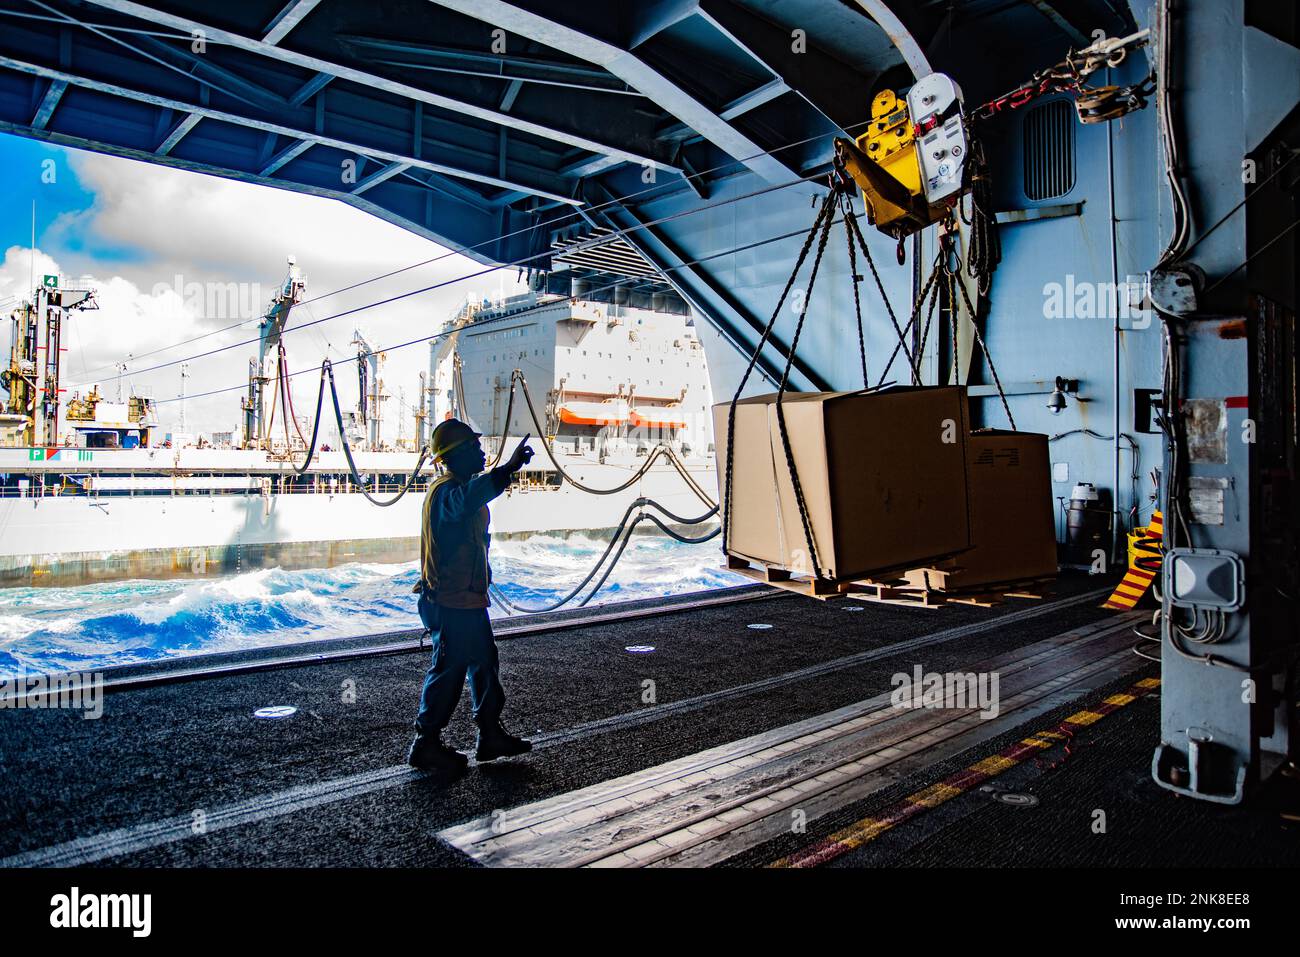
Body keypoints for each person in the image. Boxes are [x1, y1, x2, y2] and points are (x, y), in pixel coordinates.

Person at [407, 418, 535, 777]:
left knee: (484, 663)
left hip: (466, 599)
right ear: (458, 455)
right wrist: (507, 468)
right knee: (449, 670)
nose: (482, 453)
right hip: (450, 602)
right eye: (475, 448)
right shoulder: (448, 492)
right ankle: (426, 743)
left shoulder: (457, 489)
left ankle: (489, 734)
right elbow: (469, 499)